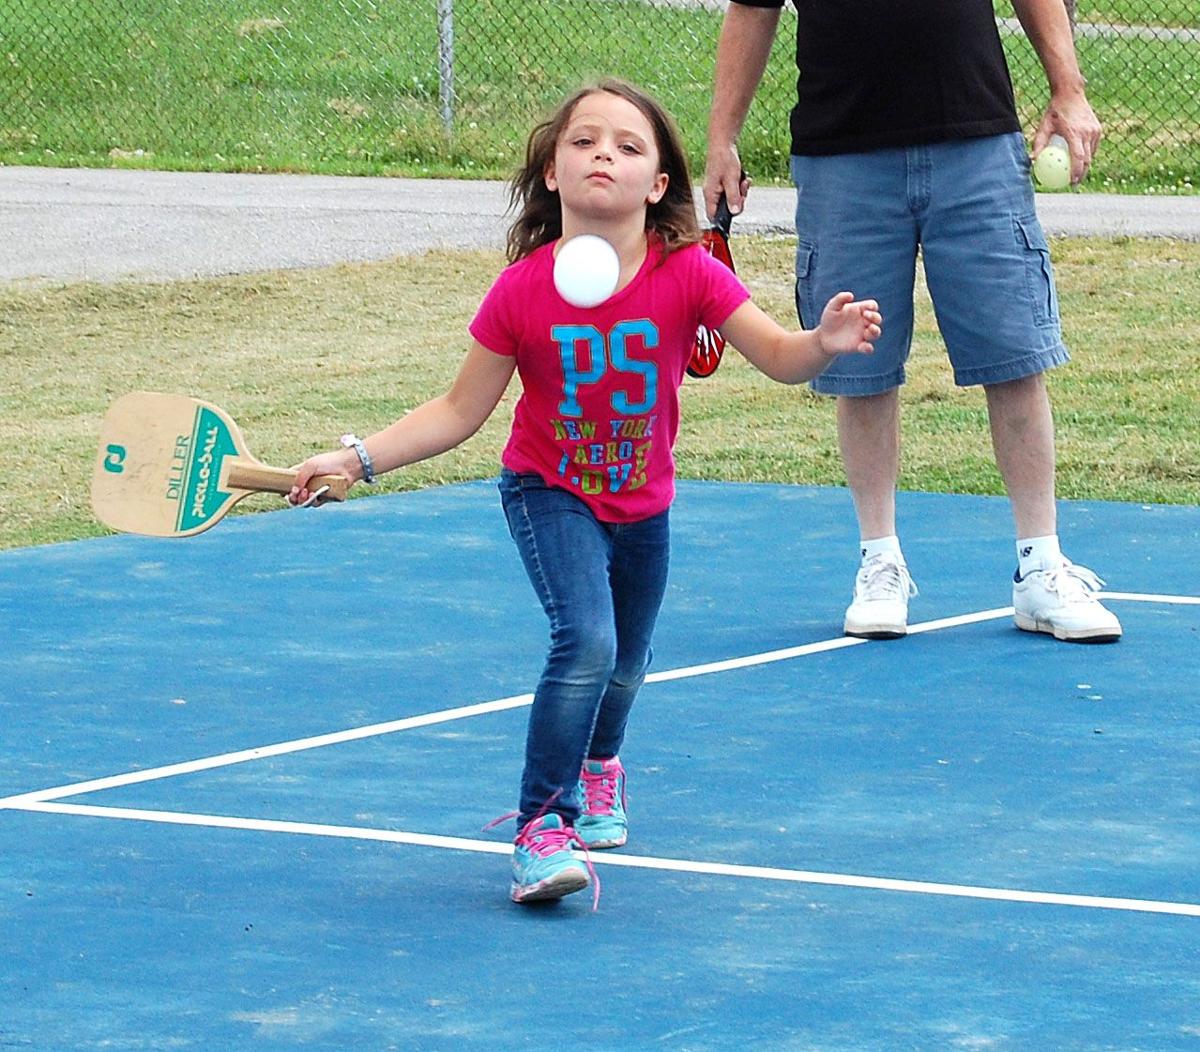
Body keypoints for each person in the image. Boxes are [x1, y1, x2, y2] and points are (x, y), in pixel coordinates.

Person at [288, 78, 883, 906]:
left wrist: (822, 341)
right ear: (554, 175)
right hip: (549, 491)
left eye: (629, 145)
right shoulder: (522, 290)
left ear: (660, 184)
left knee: (628, 665)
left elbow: (780, 357)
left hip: (644, 502)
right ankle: (543, 827)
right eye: (585, 141)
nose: (605, 152)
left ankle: (603, 765)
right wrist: (357, 458)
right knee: (588, 643)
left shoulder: (692, 276)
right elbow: (460, 411)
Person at [704, 0, 1122, 644]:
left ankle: (1041, 569)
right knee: (859, 364)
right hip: (842, 155)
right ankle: (880, 562)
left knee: (1015, 357)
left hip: (978, 146)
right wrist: (720, 139)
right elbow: (751, 11)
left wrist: (1068, 89)